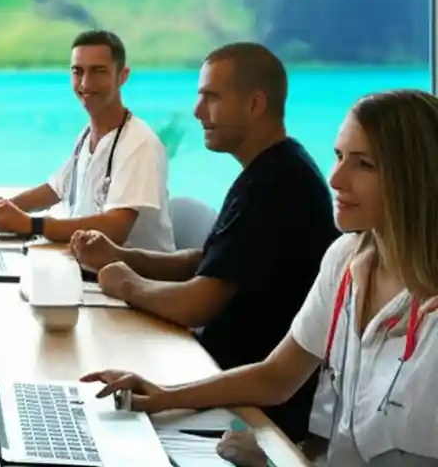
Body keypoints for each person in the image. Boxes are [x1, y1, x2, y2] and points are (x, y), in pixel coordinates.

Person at [83, 89, 438, 465]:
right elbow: (276, 377)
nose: (335, 178)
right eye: (338, 157)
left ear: (414, 177)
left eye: (363, 164)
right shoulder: (346, 259)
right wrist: (166, 395)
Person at [70, 43, 338, 440]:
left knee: (97, 413)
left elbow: (199, 303)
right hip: (215, 367)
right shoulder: (270, 169)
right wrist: (121, 256)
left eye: (211, 97)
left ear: (255, 104)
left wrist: (126, 284)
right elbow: (210, 260)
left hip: (247, 401)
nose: (198, 111)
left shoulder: (276, 185)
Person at [0, 30, 175, 252]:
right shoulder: (87, 136)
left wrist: (32, 225)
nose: (85, 83)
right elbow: (54, 189)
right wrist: (3, 209)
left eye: (98, 71)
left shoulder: (140, 143)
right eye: (77, 72)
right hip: (89, 263)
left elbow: (116, 228)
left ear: (122, 76)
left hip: (135, 277)